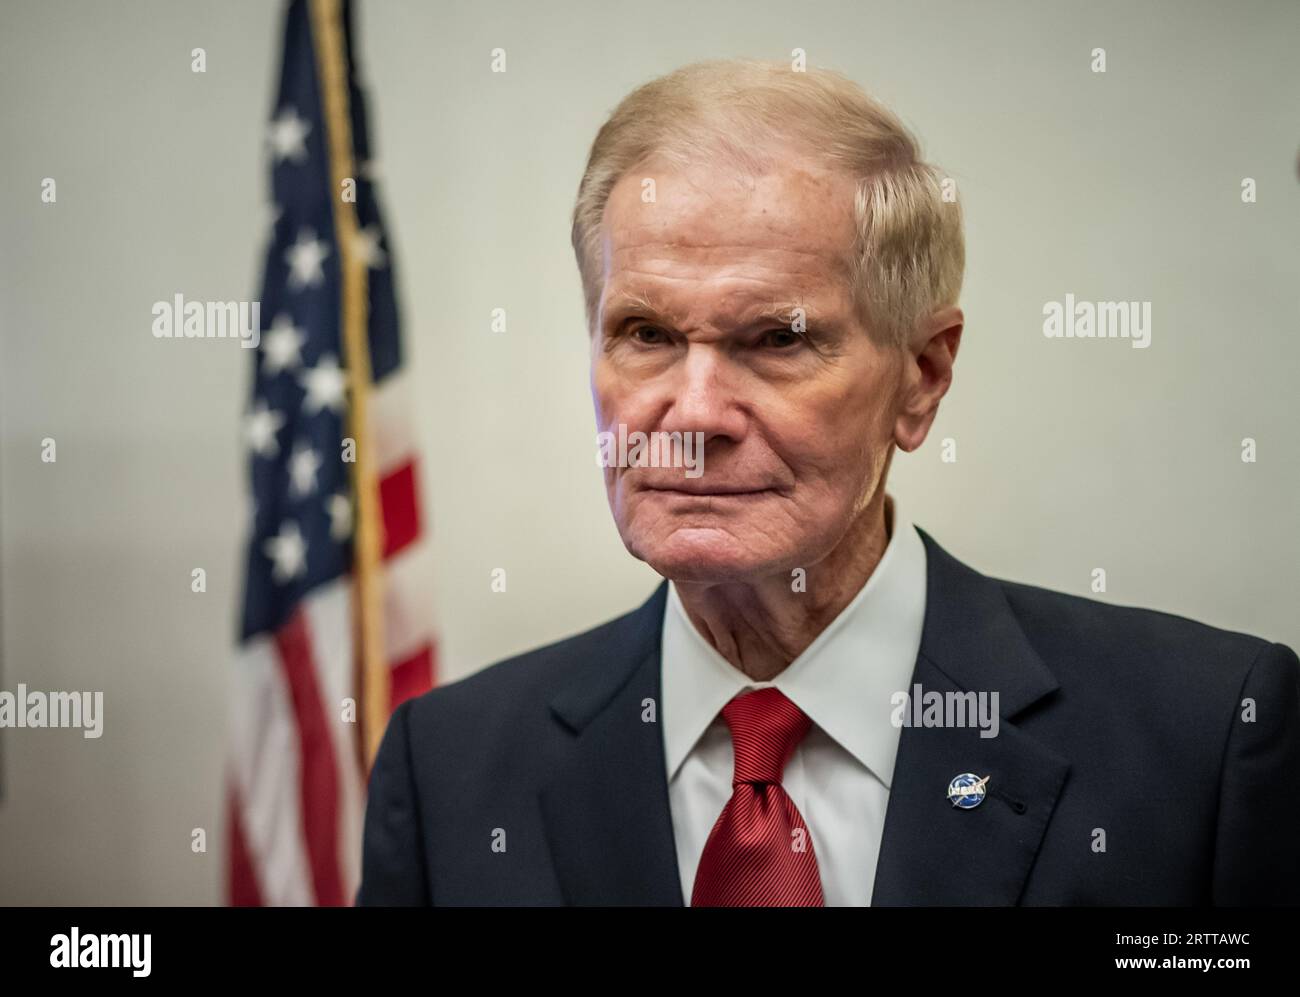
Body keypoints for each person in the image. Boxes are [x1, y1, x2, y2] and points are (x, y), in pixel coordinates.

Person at [357, 58, 1300, 906]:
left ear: (922, 376)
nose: (693, 416)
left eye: (778, 339)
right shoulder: (448, 769)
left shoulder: (1208, 741)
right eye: (646, 334)